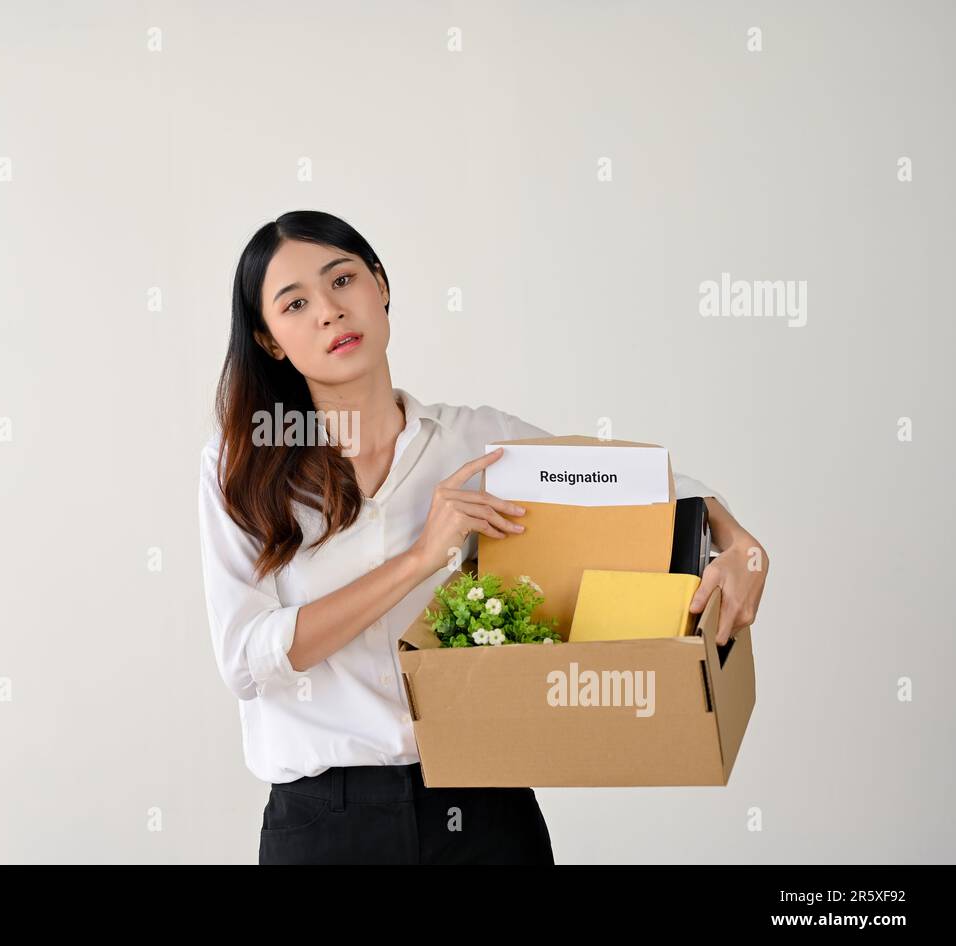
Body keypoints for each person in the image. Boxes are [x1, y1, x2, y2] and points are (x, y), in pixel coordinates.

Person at [196, 210, 769, 864]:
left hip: (484, 808)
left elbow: (638, 485)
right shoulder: (241, 468)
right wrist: (419, 559)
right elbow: (246, 658)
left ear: (380, 286)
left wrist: (740, 542)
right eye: (295, 303)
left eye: (343, 280)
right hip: (327, 825)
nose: (328, 311)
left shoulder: (476, 441)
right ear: (271, 340)